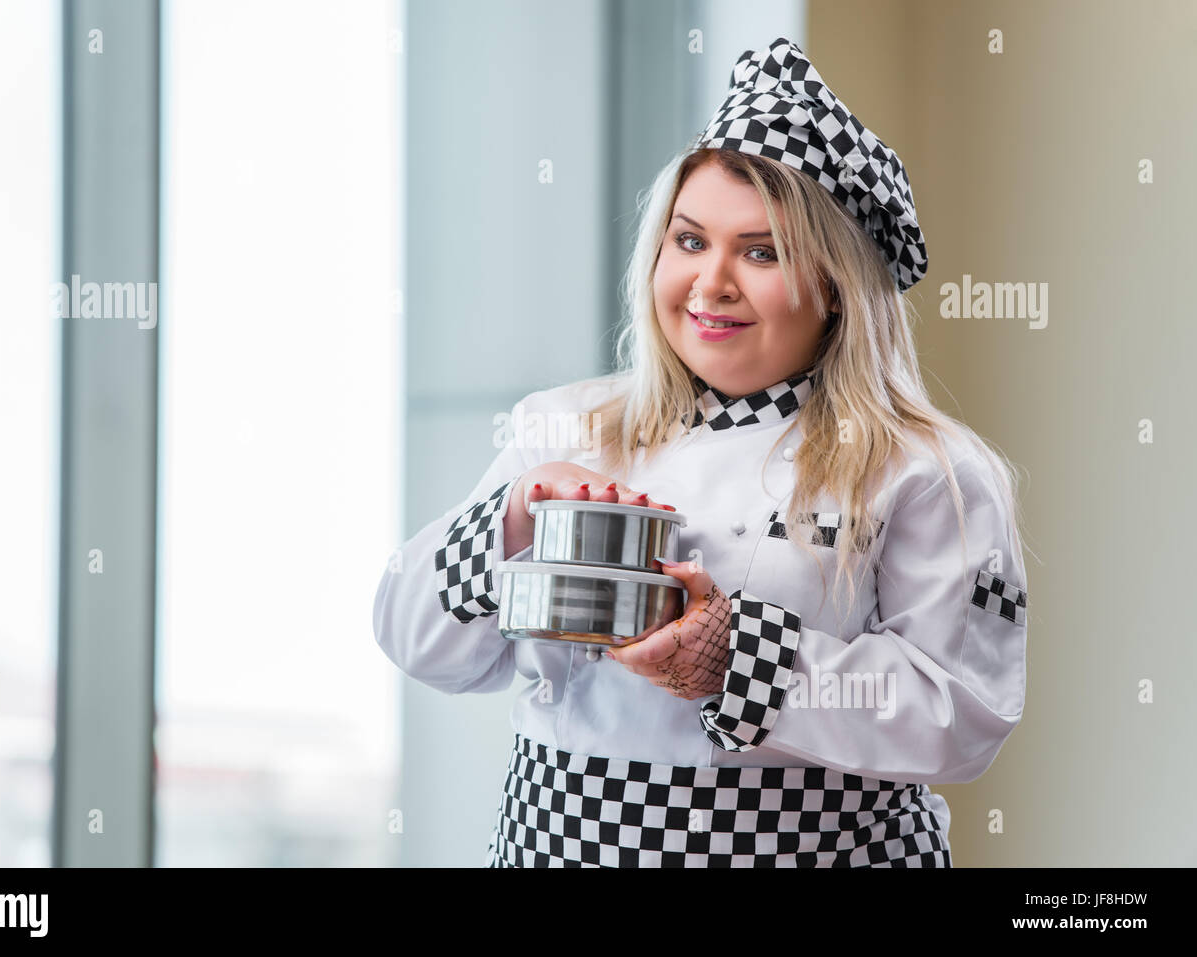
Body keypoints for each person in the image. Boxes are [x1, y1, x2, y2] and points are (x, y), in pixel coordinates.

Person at [372, 38, 1029, 867]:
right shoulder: (561, 427)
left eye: (761, 252)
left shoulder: (930, 471)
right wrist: (511, 514)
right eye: (690, 240)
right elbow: (411, 635)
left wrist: (735, 657)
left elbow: (964, 715)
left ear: (835, 284)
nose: (710, 282)